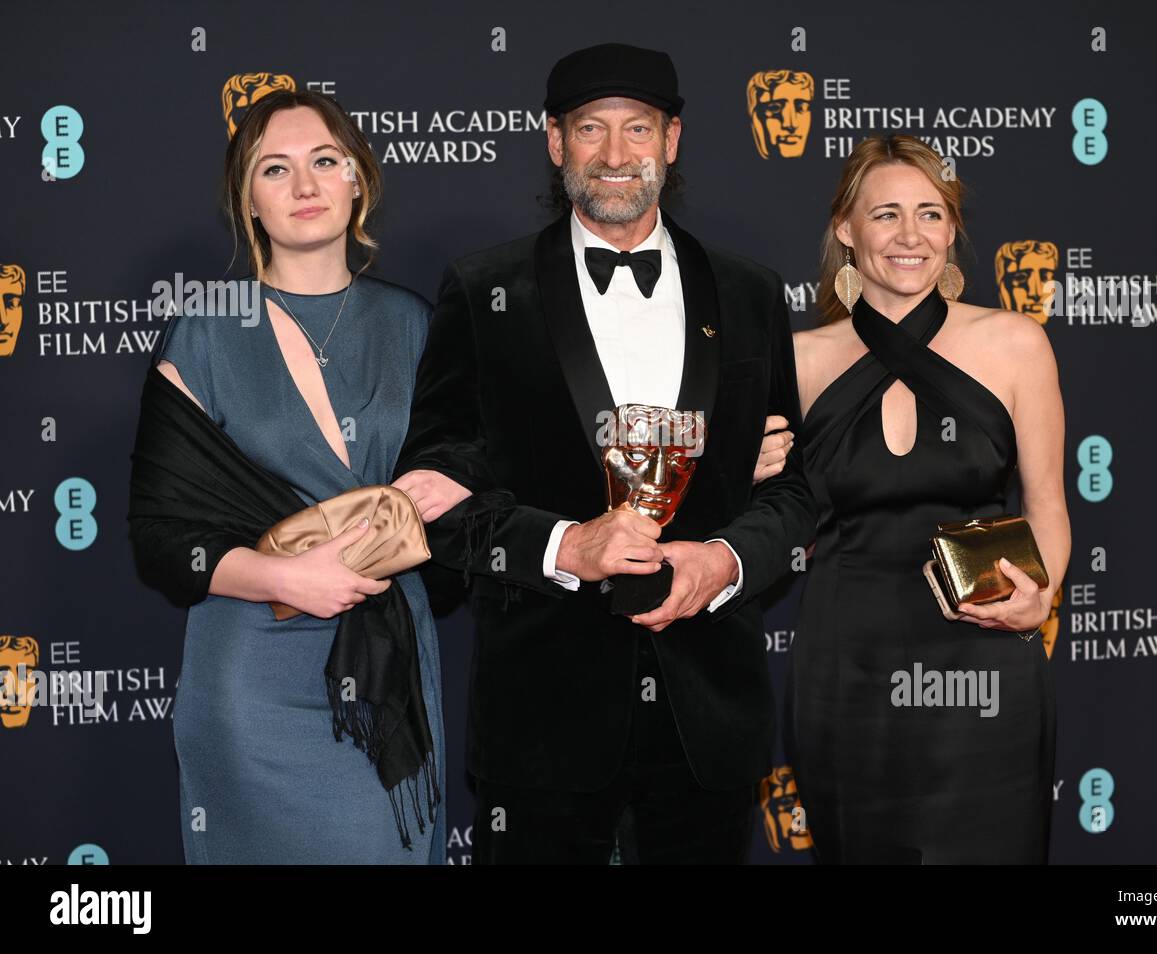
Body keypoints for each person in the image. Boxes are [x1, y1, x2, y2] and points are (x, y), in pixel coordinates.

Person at [396, 42, 817, 864]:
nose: (617, 156)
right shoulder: (486, 290)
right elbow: (433, 498)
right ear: (556, 143)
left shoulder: (751, 291)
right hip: (543, 718)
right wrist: (565, 545)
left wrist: (724, 562)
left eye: (638, 129)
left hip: (709, 716)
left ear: (673, 140)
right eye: (592, 129)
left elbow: (794, 490)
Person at [133, 89, 460, 863]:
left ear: (359, 181)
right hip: (253, 671)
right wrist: (293, 580)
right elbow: (159, 537)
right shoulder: (208, 330)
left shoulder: (416, 325)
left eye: (325, 161)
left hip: (388, 667)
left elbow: (483, 474)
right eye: (275, 169)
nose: (305, 186)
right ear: (248, 201)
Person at [758, 134, 1069, 863]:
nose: (910, 236)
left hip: (984, 653)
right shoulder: (798, 360)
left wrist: (1042, 593)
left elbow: (1048, 502)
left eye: (930, 215)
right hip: (845, 671)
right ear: (846, 230)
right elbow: (769, 513)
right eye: (886, 214)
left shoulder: (1015, 343)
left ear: (952, 230)